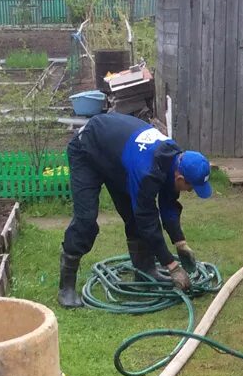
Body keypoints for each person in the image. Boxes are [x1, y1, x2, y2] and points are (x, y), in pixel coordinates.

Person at [59, 112, 213, 308]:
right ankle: (66, 287)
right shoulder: (148, 171)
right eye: (191, 187)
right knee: (86, 220)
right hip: (87, 150)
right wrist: (172, 266)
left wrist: (180, 242)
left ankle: (145, 270)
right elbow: (148, 220)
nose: (191, 191)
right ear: (180, 178)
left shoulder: (173, 158)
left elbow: (168, 204)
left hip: (117, 157)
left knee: (133, 215)